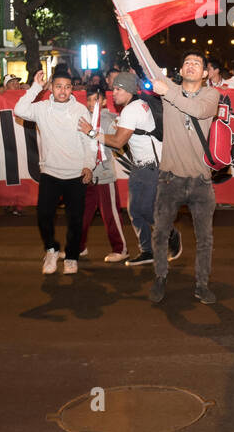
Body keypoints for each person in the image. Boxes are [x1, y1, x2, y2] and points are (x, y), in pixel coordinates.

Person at [148, 51, 220, 305]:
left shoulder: (212, 95)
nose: (190, 66)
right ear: (181, 69)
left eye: (196, 64)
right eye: (186, 62)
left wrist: (166, 92)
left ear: (204, 73)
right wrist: (132, 28)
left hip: (201, 181)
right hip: (170, 179)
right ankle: (160, 277)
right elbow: (149, 61)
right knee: (160, 233)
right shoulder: (169, 87)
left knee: (205, 238)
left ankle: (201, 284)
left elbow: (198, 111)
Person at [13, 66, 95, 276]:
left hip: (76, 174)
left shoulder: (80, 110)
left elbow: (89, 142)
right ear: (50, 88)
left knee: (75, 219)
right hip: (50, 173)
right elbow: (19, 110)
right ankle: (51, 249)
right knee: (44, 216)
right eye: (58, 86)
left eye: (67, 87)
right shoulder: (41, 108)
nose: (63, 91)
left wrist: (88, 165)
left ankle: (71, 256)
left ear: (72, 89)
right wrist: (34, 88)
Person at [100, 71, 171, 266]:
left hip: (150, 167)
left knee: (146, 210)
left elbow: (117, 142)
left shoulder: (132, 109)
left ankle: (170, 233)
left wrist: (93, 134)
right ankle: (147, 251)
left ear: (128, 90)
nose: (113, 92)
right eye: (113, 88)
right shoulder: (137, 105)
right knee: (134, 211)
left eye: (117, 89)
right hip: (140, 167)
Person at [77, 84, 129, 262]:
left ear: (105, 101)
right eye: (89, 99)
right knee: (81, 215)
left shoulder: (108, 119)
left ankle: (120, 249)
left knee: (111, 215)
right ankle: (79, 247)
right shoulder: (83, 118)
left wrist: (92, 132)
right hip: (86, 175)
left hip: (104, 175)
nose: (92, 103)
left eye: (96, 99)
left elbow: (116, 140)